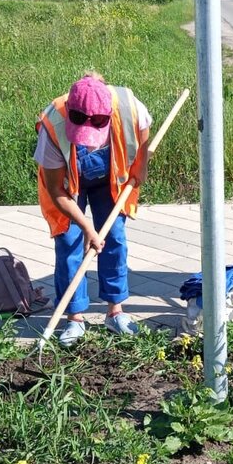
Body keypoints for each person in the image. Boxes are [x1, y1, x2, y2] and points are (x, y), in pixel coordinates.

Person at [34, 73, 151, 344]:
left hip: (109, 178)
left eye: (97, 128)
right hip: (68, 184)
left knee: (115, 239)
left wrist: (141, 165)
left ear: (107, 116)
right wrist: (87, 228)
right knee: (70, 243)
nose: (88, 140)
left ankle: (115, 312)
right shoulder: (53, 125)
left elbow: (143, 131)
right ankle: (74, 318)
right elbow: (56, 190)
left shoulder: (129, 107)